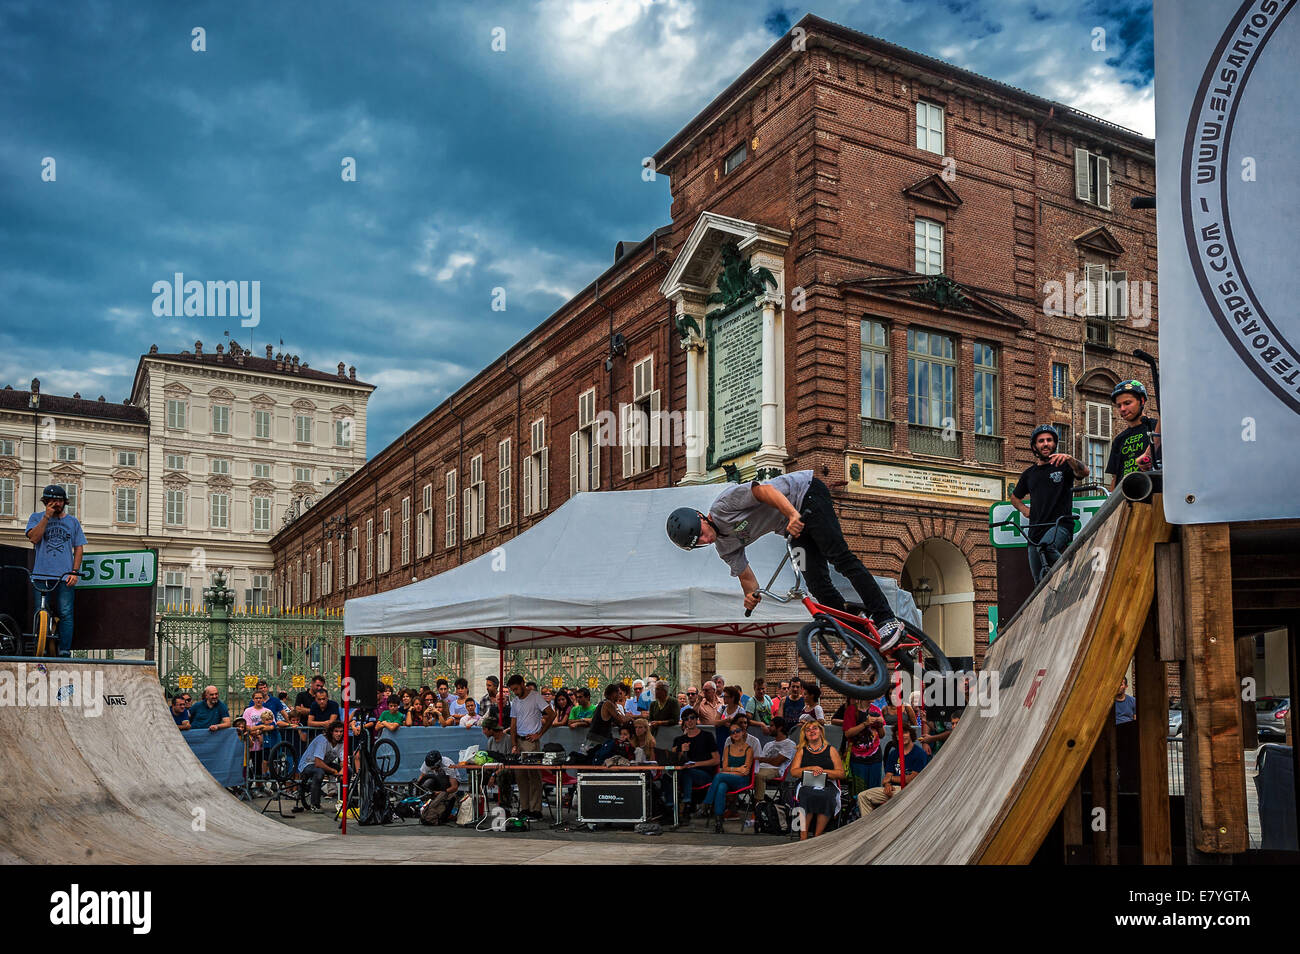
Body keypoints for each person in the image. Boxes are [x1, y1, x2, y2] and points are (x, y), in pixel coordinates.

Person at [666, 470, 905, 650]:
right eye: (699, 543)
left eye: (702, 534)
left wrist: (792, 514)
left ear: (701, 517)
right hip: (794, 531)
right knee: (816, 585)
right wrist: (750, 597)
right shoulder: (725, 547)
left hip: (806, 496)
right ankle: (865, 639)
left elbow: (765, 491)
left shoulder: (724, 505)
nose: (705, 541)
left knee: (839, 558)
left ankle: (886, 618)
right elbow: (746, 577)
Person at [1010, 424, 1088, 583]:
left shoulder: (1064, 465)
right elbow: (1014, 498)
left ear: (1055, 443)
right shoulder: (1029, 474)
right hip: (1034, 531)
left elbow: (1083, 472)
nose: (1045, 444)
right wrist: (1024, 509)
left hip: (1061, 525)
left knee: (1046, 547)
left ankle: (1073, 578)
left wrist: (1070, 459)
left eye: (1049, 440)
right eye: (1041, 441)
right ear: (1034, 446)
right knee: (1039, 583)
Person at [24, 484, 86, 657]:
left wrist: (74, 572)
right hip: (41, 575)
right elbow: (34, 539)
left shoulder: (72, 522)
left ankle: (65, 651)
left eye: (59, 500)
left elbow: (79, 548)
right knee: (40, 610)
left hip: (65, 577)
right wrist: (46, 517)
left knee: (66, 612)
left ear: (64, 502)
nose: (56, 504)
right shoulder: (36, 518)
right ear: (45, 501)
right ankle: (40, 649)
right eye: (52, 500)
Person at [507, 673, 555, 820]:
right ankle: (525, 807)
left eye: (516, 688)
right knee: (521, 776)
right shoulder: (515, 702)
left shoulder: (535, 697)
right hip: (519, 741)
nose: (515, 692)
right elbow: (513, 724)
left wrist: (539, 734)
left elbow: (551, 714)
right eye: (512, 690)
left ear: (522, 684)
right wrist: (514, 744)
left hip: (531, 740)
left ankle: (535, 809)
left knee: (534, 775)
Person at [788, 719, 844, 840]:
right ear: (805, 734)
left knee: (827, 796)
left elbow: (841, 774)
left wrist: (823, 771)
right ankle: (803, 836)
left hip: (827, 783)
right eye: (808, 730)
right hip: (806, 783)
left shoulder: (831, 750)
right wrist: (811, 768)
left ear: (820, 732)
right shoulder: (802, 751)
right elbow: (794, 771)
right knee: (807, 795)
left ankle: (817, 837)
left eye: (814, 728)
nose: (811, 731)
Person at [661, 709, 718, 820]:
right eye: (686, 719)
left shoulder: (707, 736)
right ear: (683, 722)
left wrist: (696, 764)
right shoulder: (679, 740)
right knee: (667, 776)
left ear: (697, 719)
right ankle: (670, 808)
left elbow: (716, 760)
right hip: (683, 772)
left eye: (692, 718)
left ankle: (687, 805)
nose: (689, 721)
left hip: (703, 774)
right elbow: (673, 762)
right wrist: (682, 751)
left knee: (687, 771)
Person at [858, 725, 929, 815]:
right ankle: (869, 826)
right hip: (893, 790)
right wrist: (887, 785)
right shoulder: (894, 753)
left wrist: (891, 779)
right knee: (863, 796)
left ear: (911, 734)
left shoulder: (919, 754)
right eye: (898, 734)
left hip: (911, 790)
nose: (902, 736)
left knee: (897, 797)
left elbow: (911, 779)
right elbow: (887, 776)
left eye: (905, 733)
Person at [700, 718, 755, 832]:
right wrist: (737, 769)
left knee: (719, 776)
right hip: (729, 779)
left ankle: (707, 803)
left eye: (737, 731)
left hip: (742, 781)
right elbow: (724, 768)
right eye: (732, 732)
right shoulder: (727, 748)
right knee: (721, 787)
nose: (735, 734)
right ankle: (719, 823)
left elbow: (746, 771)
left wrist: (730, 771)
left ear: (743, 732)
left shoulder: (748, 749)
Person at [1105, 380, 1161, 490]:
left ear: (1142, 400)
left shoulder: (1158, 428)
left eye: (1127, 403)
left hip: (1154, 493)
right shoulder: (1119, 439)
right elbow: (1115, 477)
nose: (1122, 409)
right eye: (1119, 405)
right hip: (1125, 497)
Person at [835, 696, 885, 790]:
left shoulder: (876, 709)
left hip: (875, 757)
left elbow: (882, 735)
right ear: (863, 694)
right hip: (858, 758)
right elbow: (848, 733)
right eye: (871, 693)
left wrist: (880, 725)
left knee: (874, 789)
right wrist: (865, 723)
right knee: (859, 789)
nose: (874, 694)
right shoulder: (851, 710)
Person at [298, 722, 348, 812]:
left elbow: (343, 760)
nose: (339, 734)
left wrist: (342, 770)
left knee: (348, 771)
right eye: (336, 731)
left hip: (324, 763)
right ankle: (315, 804)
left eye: (341, 731)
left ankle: (345, 802)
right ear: (331, 732)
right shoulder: (323, 740)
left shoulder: (342, 742)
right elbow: (318, 763)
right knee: (319, 772)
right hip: (309, 763)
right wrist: (334, 771)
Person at [754, 717, 795, 801]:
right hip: (761, 768)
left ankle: (758, 805)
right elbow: (761, 760)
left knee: (759, 776)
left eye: (772, 726)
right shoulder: (768, 744)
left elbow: (777, 762)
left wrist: (762, 759)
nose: (769, 728)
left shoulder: (789, 744)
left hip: (775, 770)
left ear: (779, 728)